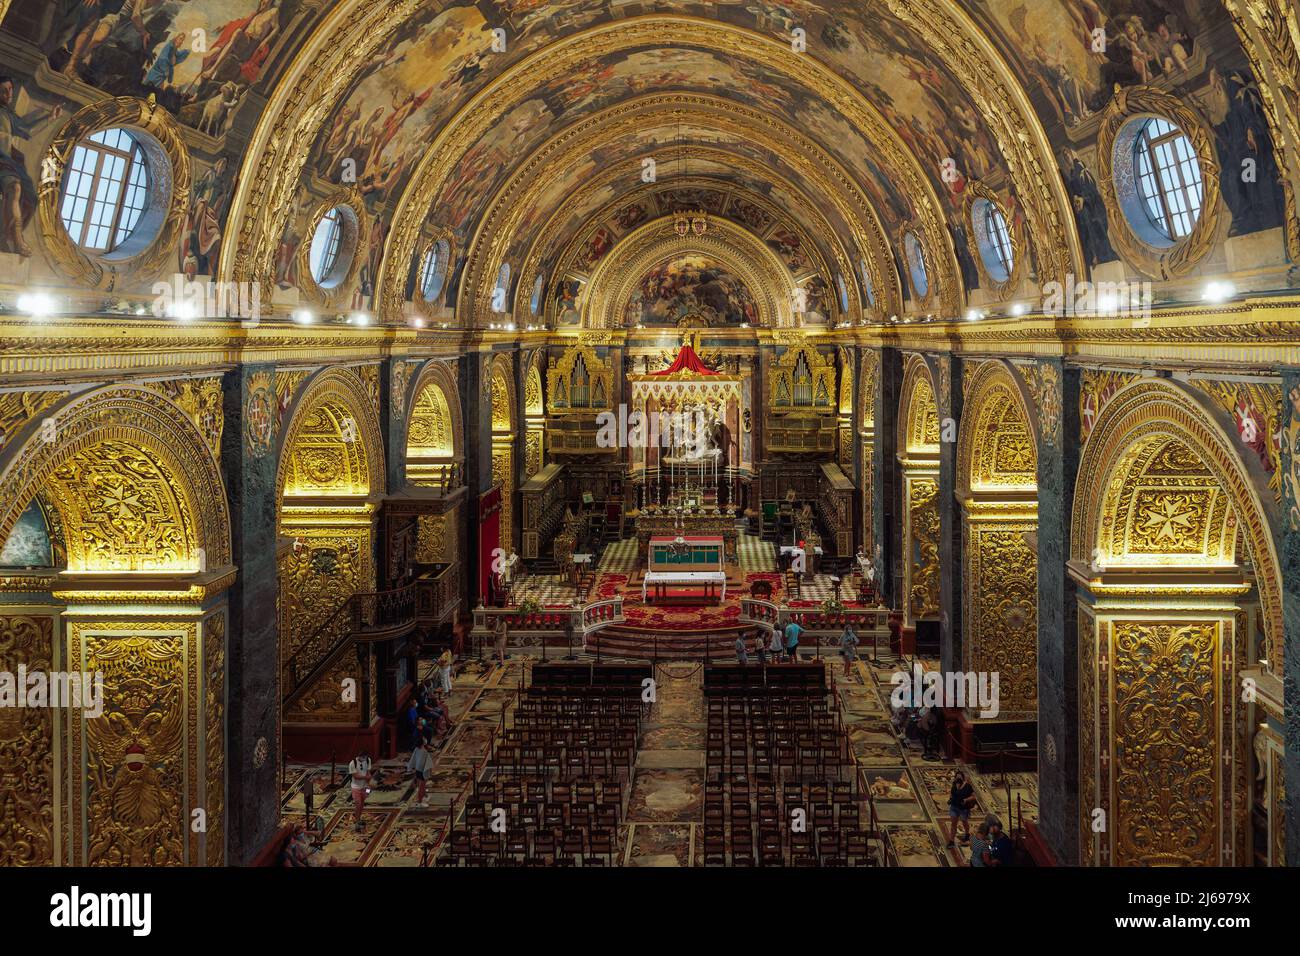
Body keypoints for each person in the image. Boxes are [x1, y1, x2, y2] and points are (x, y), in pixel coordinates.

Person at [946, 769, 976, 848]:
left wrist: (966, 800)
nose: (958, 779)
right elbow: (952, 793)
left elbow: (973, 796)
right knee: (953, 824)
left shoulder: (967, 786)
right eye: (957, 777)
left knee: (964, 822)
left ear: (963, 778)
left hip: (963, 808)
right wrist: (950, 798)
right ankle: (951, 841)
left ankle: (967, 833)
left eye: (960, 777)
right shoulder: (954, 784)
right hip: (954, 807)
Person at [348, 751, 373, 831]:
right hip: (356, 787)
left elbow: (368, 772)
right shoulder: (353, 763)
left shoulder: (368, 760)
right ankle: (357, 820)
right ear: (359, 756)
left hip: (365, 786)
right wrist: (366, 777)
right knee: (358, 803)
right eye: (363, 757)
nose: (364, 759)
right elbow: (355, 776)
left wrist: (369, 785)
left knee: (363, 802)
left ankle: (359, 817)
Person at [407, 740, 432, 806]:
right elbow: (428, 764)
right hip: (423, 771)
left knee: (420, 786)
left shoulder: (416, 749)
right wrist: (430, 771)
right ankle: (420, 802)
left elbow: (413, 759)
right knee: (421, 787)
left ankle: (424, 796)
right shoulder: (425, 752)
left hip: (417, 770)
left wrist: (411, 767)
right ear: (423, 743)